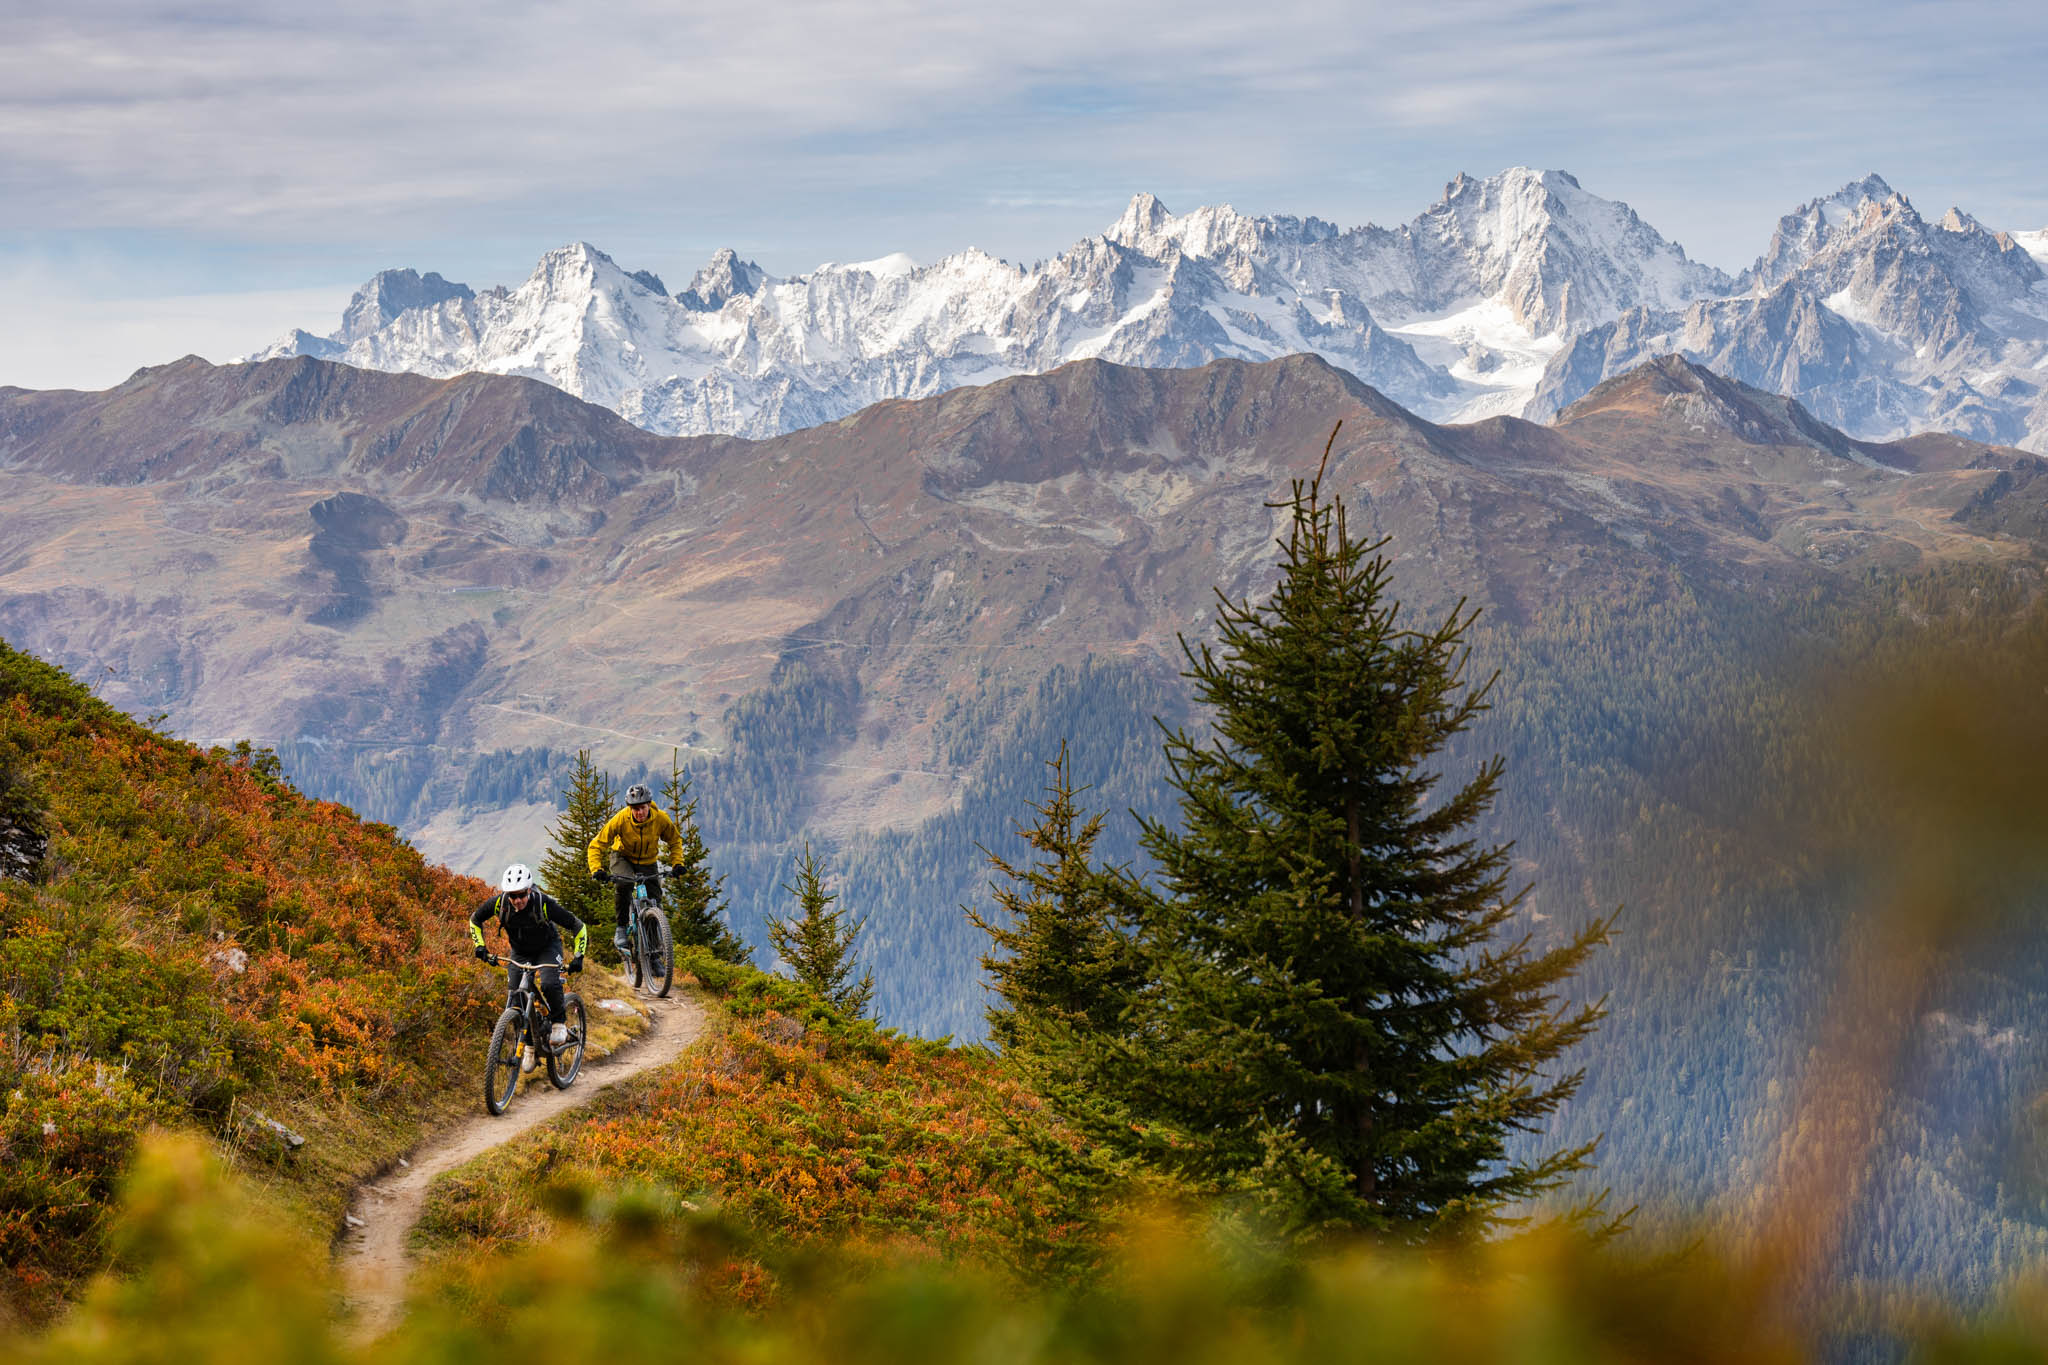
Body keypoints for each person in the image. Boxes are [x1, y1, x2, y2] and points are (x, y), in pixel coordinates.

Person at [469, 863, 587, 1073]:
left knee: (550, 984)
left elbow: (578, 927)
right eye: (513, 896)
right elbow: (475, 920)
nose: (517, 900)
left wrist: (579, 956)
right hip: (520, 952)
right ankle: (530, 1048)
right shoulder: (499, 904)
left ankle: (559, 1022)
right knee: (517, 997)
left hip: (547, 948)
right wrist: (480, 947)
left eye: (521, 895)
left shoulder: (543, 904)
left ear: (529, 890)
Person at [587, 782, 684, 960]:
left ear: (649, 805)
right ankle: (621, 928)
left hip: (648, 861)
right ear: (630, 808)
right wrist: (597, 869)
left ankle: (654, 956)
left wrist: (677, 863)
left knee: (655, 902)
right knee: (624, 883)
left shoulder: (660, 819)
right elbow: (596, 844)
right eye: (635, 809)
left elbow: (675, 840)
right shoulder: (621, 819)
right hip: (622, 857)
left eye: (642, 808)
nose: (639, 812)